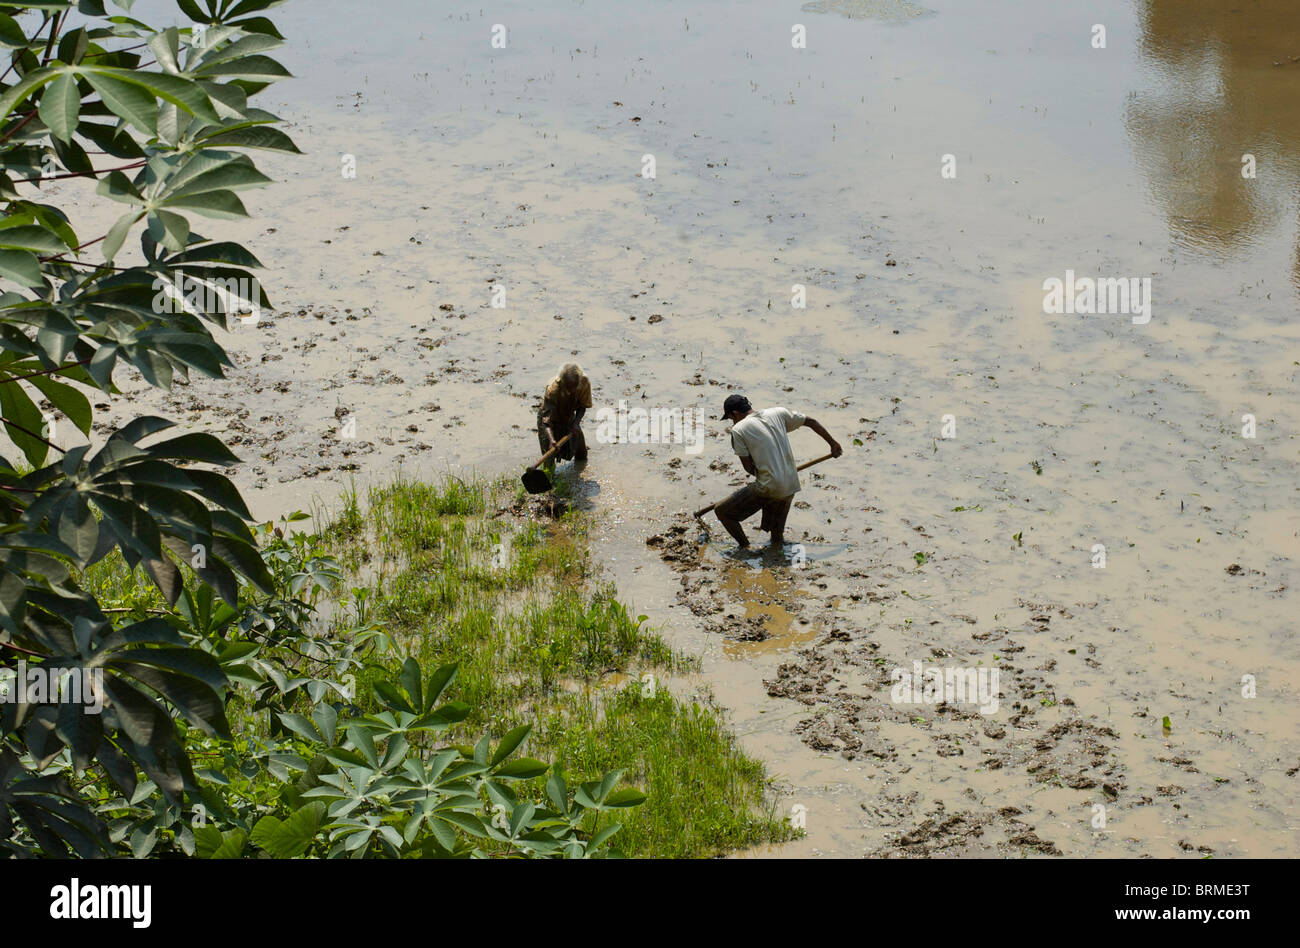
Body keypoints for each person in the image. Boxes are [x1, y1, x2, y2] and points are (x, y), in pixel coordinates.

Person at [714, 394, 842, 548]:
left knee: (722, 512)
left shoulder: (738, 430)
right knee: (776, 537)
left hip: (769, 485)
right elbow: (811, 422)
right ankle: (776, 553)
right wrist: (833, 443)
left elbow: (748, 468)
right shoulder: (777, 413)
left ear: (734, 413)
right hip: (791, 484)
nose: (732, 422)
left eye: (730, 418)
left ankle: (745, 547)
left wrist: (767, 474)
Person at [537, 363, 592, 466]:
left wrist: (576, 423)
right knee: (549, 454)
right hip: (550, 417)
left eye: (574, 387)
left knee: (581, 452)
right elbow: (546, 421)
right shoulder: (553, 390)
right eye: (569, 387)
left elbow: (582, 406)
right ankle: (549, 477)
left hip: (568, 414)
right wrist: (552, 439)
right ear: (562, 383)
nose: (572, 390)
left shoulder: (584, 382)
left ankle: (580, 468)